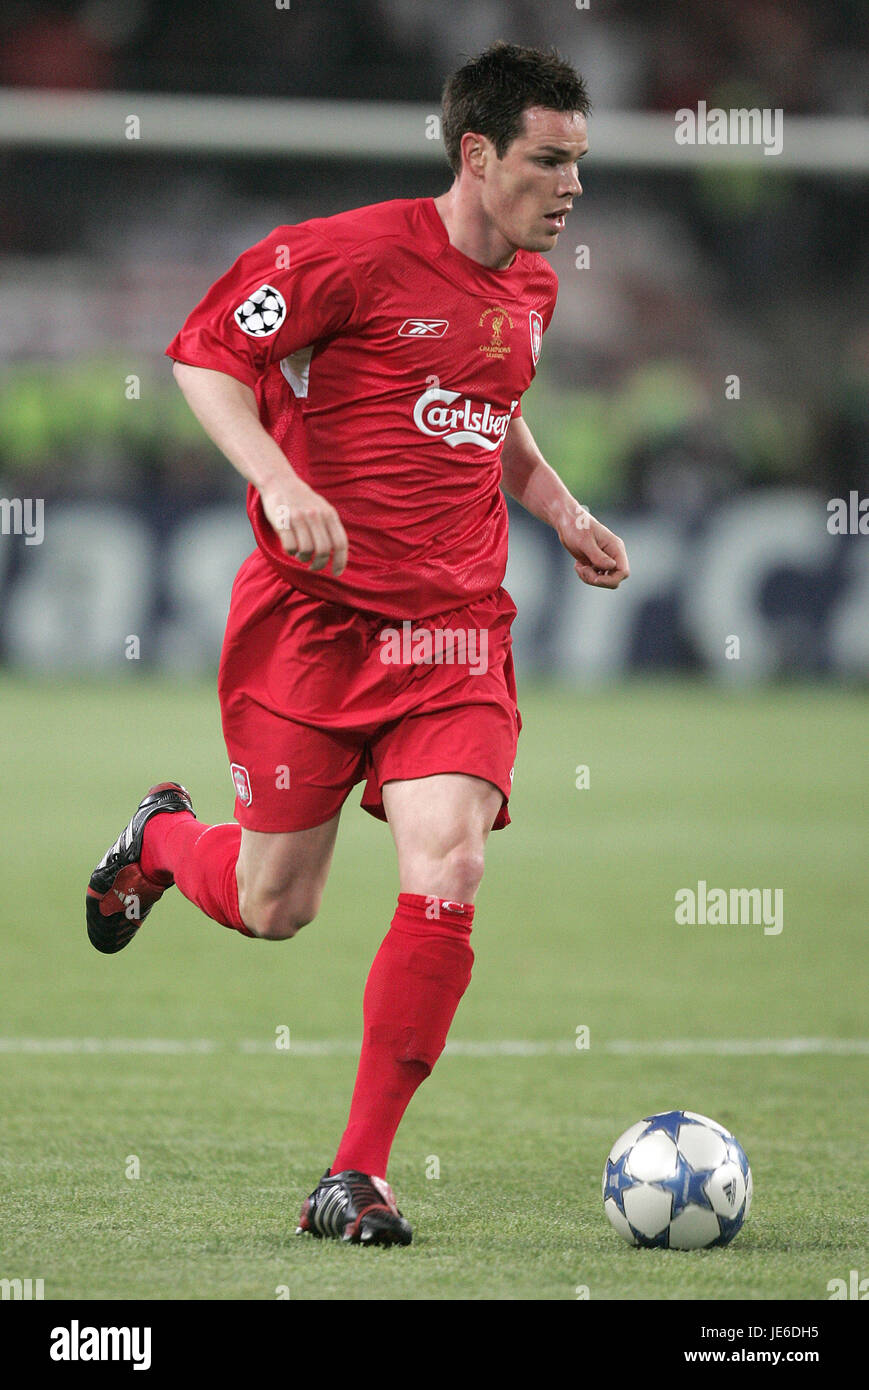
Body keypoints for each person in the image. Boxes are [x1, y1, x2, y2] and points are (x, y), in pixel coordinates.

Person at [86, 41, 629, 1247]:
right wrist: (279, 481)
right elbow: (203, 353)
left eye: (580, 161)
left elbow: (489, 409)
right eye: (549, 159)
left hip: (454, 632)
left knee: (451, 859)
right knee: (279, 904)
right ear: (476, 155)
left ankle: (354, 1175)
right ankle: (165, 842)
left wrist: (560, 509)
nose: (571, 184)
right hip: (311, 627)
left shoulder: (532, 287)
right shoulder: (346, 254)